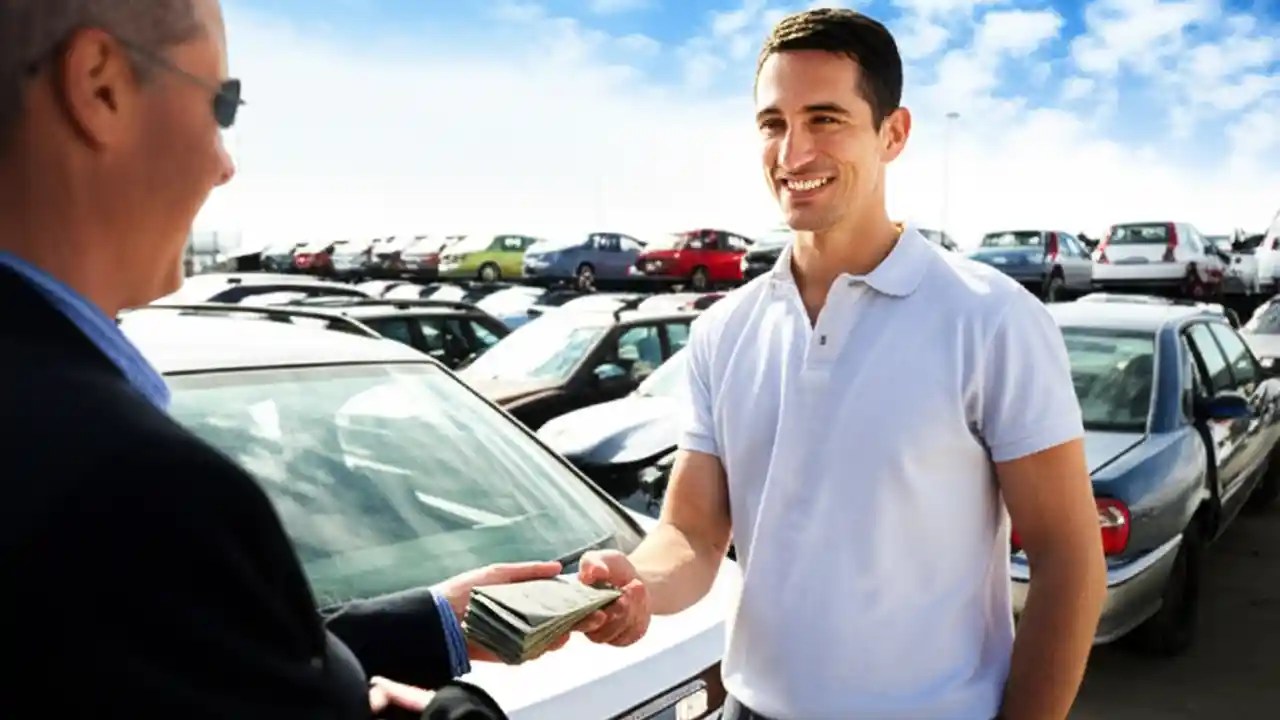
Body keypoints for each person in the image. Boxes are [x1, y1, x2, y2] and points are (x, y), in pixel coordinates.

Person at [0, 2, 568, 718]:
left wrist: (441, 621)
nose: (225, 165)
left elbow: (195, 653)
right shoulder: (129, 485)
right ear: (99, 85)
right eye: (222, 105)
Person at [574, 8, 1108, 720]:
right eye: (773, 123)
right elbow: (695, 535)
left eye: (825, 118)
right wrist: (636, 580)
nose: (792, 153)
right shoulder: (724, 331)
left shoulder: (991, 318)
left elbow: (1069, 561)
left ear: (893, 134)